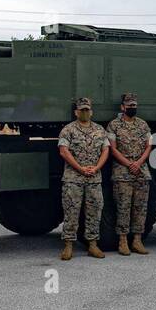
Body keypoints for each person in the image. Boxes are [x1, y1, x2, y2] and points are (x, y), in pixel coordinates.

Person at [57, 96, 110, 260]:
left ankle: (93, 245)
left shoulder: (100, 130)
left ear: (91, 112)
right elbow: (63, 151)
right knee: (71, 212)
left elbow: (105, 150)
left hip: (94, 178)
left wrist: (96, 167)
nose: (85, 112)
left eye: (87, 110)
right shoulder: (68, 130)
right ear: (76, 112)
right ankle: (68, 246)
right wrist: (80, 168)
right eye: (82, 110)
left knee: (95, 212)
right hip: (73, 178)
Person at [106, 92, 152, 256]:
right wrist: (128, 163)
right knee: (123, 207)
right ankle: (123, 241)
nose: (132, 108)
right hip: (122, 172)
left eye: (134, 105)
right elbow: (113, 148)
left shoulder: (143, 125)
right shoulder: (114, 125)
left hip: (141, 170)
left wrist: (138, 163)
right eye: (129, 105)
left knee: (140, 207)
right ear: (122, 107)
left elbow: (148, 146)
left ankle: (137, 240)